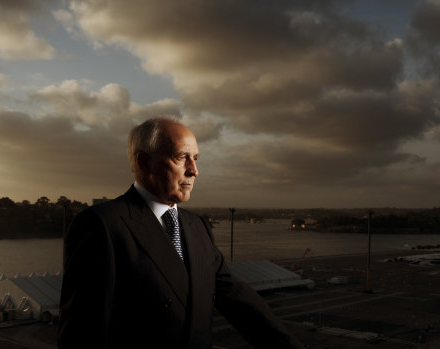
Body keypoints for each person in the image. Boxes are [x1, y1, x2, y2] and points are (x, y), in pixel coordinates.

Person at [58, 117, 304, 348]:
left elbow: (240, 302)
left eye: (196, 158)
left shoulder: (197, 227)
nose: (194, 170)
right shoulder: (102, 224)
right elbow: (81, 334)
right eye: (181, 157)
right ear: (144, 162)